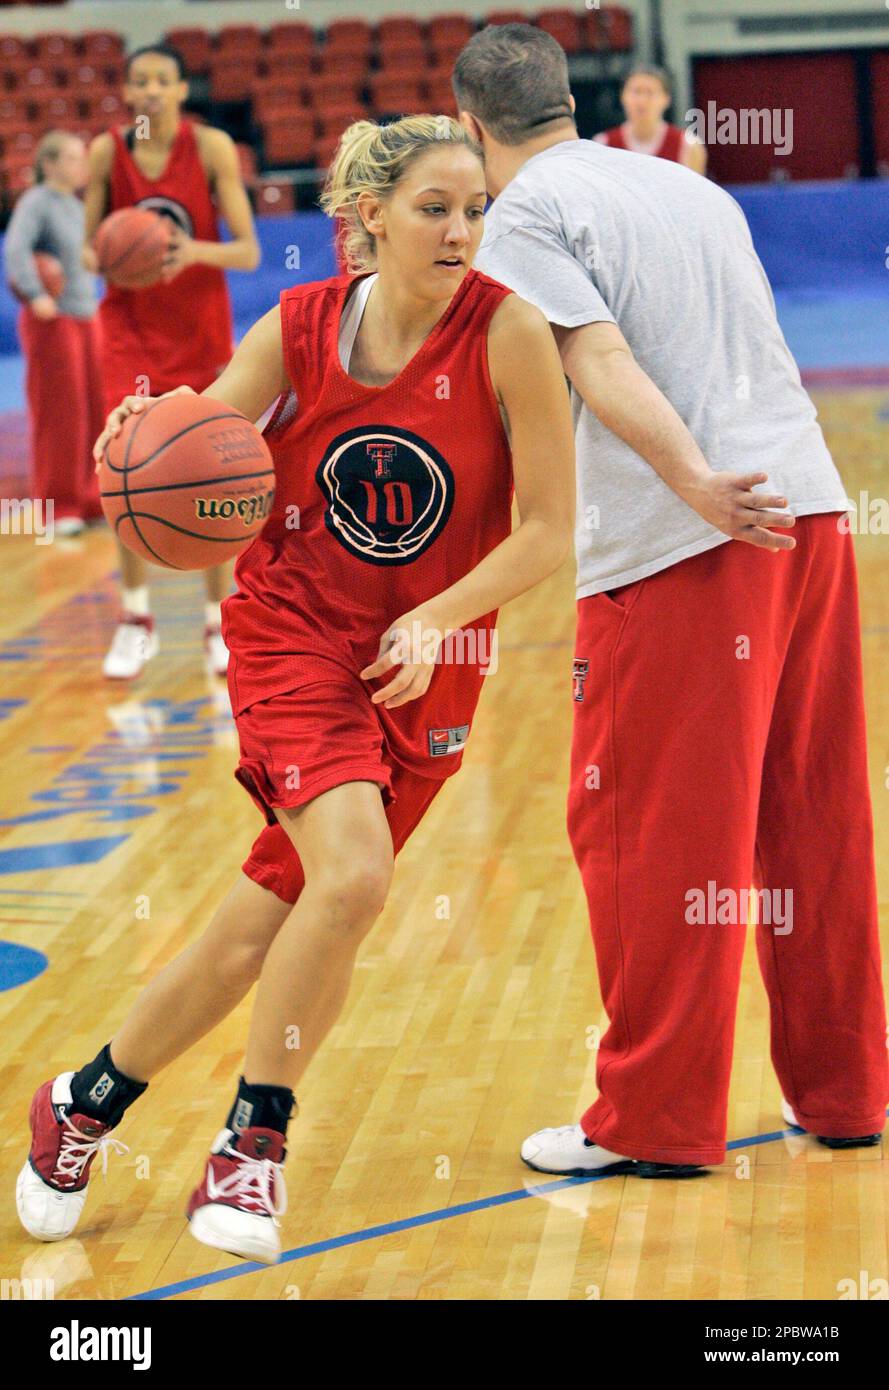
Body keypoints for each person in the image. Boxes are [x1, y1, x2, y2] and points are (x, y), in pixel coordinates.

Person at [16, 116, 575, 1264]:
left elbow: (550, 533)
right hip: (292, 637)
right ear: (370, 216)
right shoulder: (303, 324)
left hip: (429, 665)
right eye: (434, 208)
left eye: (475, 210)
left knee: (257, 929)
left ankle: (82, 1099)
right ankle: (252, 1143)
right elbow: (207, 437)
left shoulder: (511, 333)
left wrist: (436, 616)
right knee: (357, 877)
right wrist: (146, 431)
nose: (461, 230)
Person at [453, 24, 887, 1176]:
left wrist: (690, 477)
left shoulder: (524, 216)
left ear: (469, 129)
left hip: (685, 537)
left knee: (647, 832)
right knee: (814, 817)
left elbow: (596, 357)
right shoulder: (688, 188)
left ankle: (651, 1117)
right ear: (575, 97)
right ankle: (844, 1092)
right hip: (809, 509)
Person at [83, 43, 260, 679]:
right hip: (130, 335)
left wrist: (187, 253)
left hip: (200, 338)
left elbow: (246, 252)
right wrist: (113, 250)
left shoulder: (209, 148)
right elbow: (87, 253)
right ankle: (136, 620)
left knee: (208, 473)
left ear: (182, 90)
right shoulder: (108, 152)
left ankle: (219, 622)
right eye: (140, 83)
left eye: (163, 80)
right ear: (128, 95)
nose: (151, 92)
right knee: (121, 472)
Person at [3, 131, 103, 537]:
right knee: (61, 414)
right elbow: (14, 249)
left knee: (96, 410)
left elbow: (86, 261)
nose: (82, 165)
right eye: (74, 158)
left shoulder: (74, 207)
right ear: (49, 164)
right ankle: (59, 506)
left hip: (85, 316)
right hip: (52, 320)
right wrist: (36, 292)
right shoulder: (36, 202)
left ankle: (91, 497)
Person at [595, 63, 707, 174]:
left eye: (650, 92)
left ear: (666, 99)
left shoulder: (689, 146)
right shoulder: (602, 144)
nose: (642, 100)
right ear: (622, 96)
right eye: (636, 91)